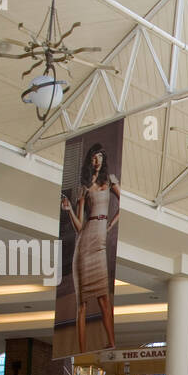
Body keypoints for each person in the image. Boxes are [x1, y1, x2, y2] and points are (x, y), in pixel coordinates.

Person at [60, 142, 120, 352]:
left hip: (101, 242)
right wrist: (69, 210)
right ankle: (81, 350)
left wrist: (111, 225)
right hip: (85, 241)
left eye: (100, 157)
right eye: (94, 157)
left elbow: (123, 206)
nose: (97, 160)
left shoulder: (110, 181)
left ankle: (111, 342)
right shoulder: (84, 187)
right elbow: (79, 226)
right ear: (90, 160)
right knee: (82, 303)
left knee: (104, 298)